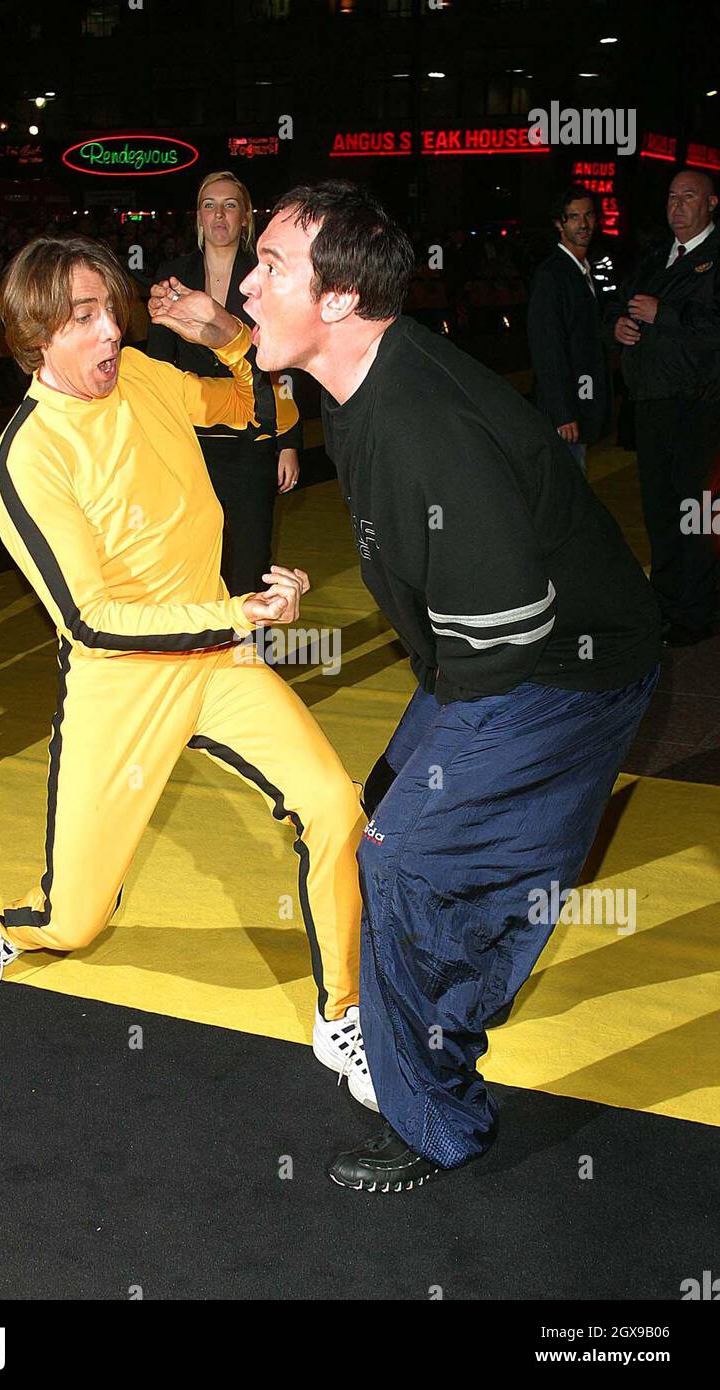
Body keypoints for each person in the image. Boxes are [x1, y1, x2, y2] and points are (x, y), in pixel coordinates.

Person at [155, 180, 662, 1191]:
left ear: (340, 301)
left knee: (398, 858)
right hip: (517, 655)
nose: (249, 286)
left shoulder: (424, 426)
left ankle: (436, 1118)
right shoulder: (363, 379)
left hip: (556, 668)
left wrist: (456, 798)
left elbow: (501, 640)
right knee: (410, 839)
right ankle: (455, 990)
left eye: (271, 270)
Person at [0, 234, 374, 1109]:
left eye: (111, 311)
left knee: (333, 805)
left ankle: (341, 1014)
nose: (107, 334)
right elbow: (93, 619)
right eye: (81, 318)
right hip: (119, 682)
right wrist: (234, 611)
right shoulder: (26, 459)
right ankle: (11, 931)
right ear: (33, 337)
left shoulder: (145, 377)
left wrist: (224, 334)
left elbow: (261, 415)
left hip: (216, 656)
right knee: (75, 919)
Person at [146, 171, 302, 596]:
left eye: (230, 204)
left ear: (245, 216)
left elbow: (283, 363)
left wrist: (288, 440)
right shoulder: (173, 274)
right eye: (210, 204)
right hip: (190, 437)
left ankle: (254, 653)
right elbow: (158, 362)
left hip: (254, 432)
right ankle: (206, 651)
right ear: (198, 216)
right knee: (195, 553)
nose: (219, 214)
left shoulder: (265, 275)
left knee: (252, 554)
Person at [608, 168, 720, 647]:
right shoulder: (656, 254)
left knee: (696, 512)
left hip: (698, 407)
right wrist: (618, 328)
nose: (677, 206)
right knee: (659, 510)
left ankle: (695, 611)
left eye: (689, 197)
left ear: (712, 204)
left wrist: (664, 315)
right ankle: (667, 601)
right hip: (652, 404)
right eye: (672, 197)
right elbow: (624, 304)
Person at [527, 184, 611, 473]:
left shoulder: (584, 269)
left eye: (588, 215)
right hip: (565, 411)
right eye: (574, 217)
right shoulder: (552, 275)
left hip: (581, 402)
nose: (583, 224)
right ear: (559, 223)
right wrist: (563, 413)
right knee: (567, 492)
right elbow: (547, 346)